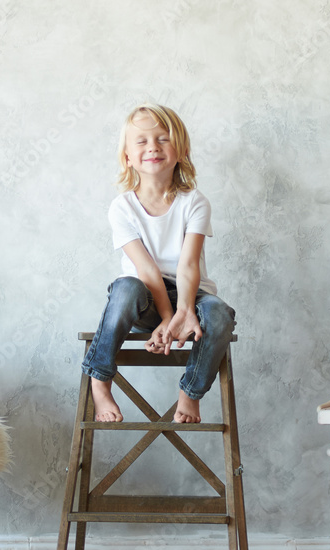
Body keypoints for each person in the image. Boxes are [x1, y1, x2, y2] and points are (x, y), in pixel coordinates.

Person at [82, 103, 236, 424]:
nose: (153, 146)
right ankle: (100, 381)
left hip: (189, 294)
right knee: (126, 288)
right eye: (141, 141)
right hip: (146, 299)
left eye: (163, 139)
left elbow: (188, 265)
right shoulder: (122, 208)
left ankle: (190, 394)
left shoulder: (194, 202)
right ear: (127, 156)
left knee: (220, 314)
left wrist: (185, 311)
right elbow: (148, 270)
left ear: (181, 150)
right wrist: (167, 317)